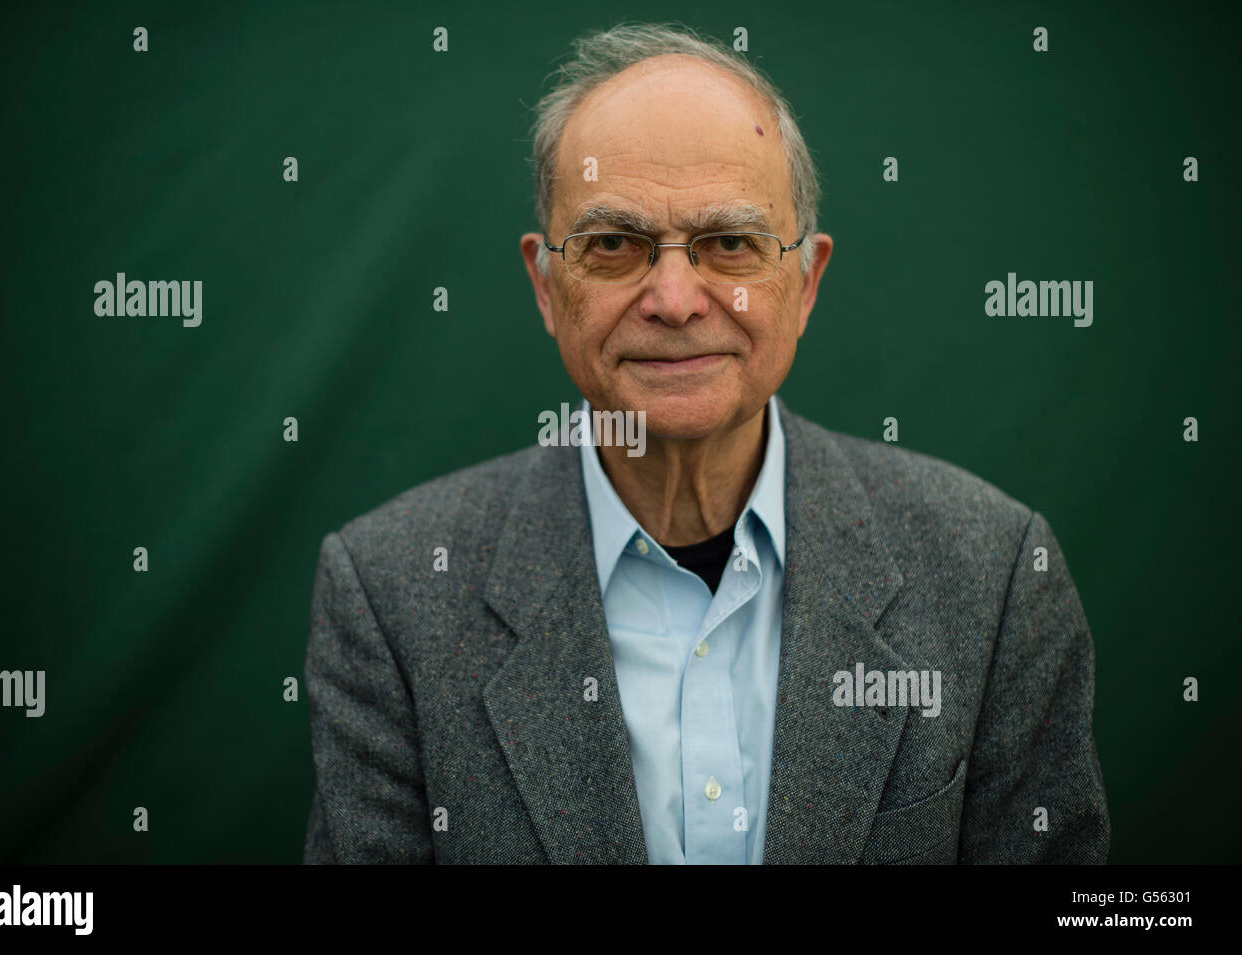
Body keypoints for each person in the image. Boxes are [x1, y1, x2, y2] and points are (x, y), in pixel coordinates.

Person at [303, 21, 1109, 864]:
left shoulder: (995, 575)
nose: (677, 299)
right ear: (546, 287)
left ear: (805, 283)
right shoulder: (391, 595)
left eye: (730, 242)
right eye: (614, 244)